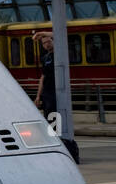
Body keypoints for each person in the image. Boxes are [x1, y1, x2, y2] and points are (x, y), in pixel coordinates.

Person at [33, 29, 81, 164]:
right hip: (47, 92)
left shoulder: (60, 54)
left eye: (49, 41)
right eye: (44, 43)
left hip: (57, 91)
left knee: (55, 118)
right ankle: (54, 143)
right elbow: (42, 77)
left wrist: (42, 33)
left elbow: (59, 35)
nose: (47, 44)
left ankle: (58, 144)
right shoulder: (46, 58)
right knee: (49, 117)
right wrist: (38, 96)